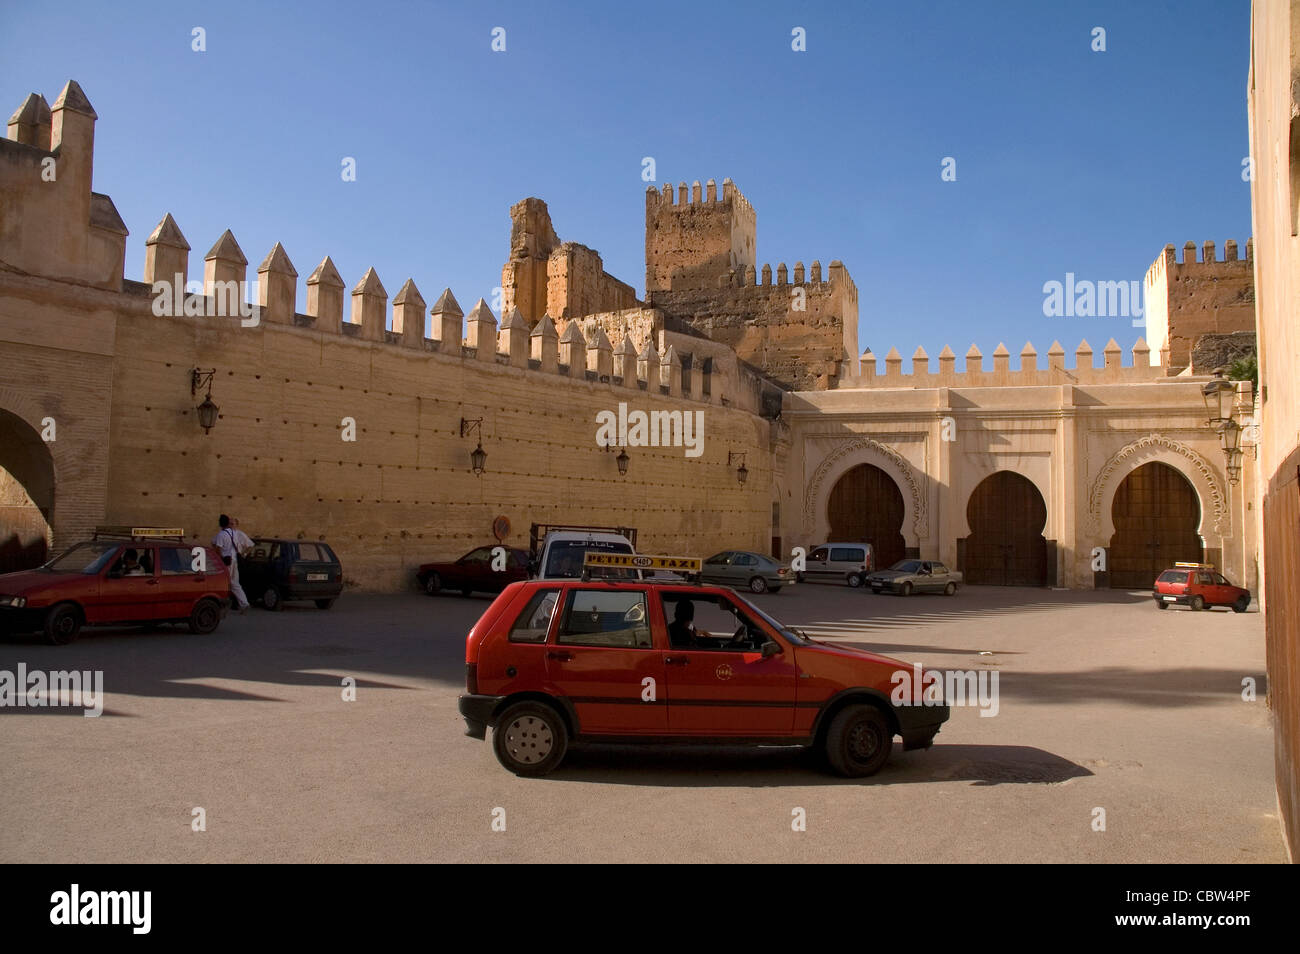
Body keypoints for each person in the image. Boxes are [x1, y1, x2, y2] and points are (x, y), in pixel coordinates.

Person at [213, 514, 249, 614]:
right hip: (234, 560)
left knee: (223, 583)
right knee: (235, 583)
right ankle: (244, 603)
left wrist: (218, 559)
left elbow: (217, 548)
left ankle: (222, 605)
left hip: (225, 562)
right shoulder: (233, 533)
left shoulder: (221, 535)